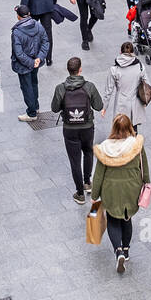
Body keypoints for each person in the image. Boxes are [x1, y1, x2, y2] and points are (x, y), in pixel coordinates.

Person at [91, 114, 150, 274]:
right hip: (132, 188)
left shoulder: (105, 148)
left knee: (113, 221)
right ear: (130, 126)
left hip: (111, 190)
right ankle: (126, 249)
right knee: (126, 218)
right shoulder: (136, 145)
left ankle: (118, 251)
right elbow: (144, 165)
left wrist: (94, 196)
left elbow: (98, 175)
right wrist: (146, 182)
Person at [52, 55, 105, 203]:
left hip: (70, 129)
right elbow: (99, 106)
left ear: (68, 70)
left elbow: (54, 109)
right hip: (87, 127)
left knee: (74, 160)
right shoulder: (89, 87)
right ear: (80, 69)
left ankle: (80, 194)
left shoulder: (60, 88)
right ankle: (87, 182)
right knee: (88, 152)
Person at [11, 5, 49, 122]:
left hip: (24, 66)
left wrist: (31, 62)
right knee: (33, 83)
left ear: (18, 16)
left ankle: (31, 113)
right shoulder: (38, 25)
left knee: (26, 87)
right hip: (36, 62)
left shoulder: (17, 32)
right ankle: (35, 107)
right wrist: (39, 58)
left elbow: (19, 53)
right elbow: (45, 42)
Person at [104, 41, 148, 134]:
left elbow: (109, 90)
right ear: (132, 53)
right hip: (135, 102)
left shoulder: (114, 69)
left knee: (120, 129)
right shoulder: (140, 66)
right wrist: (145, 101)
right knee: (134, 129)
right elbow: (147, 84)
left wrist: (104, 107)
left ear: (120, 52)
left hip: (121, 103)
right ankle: (134, 146)